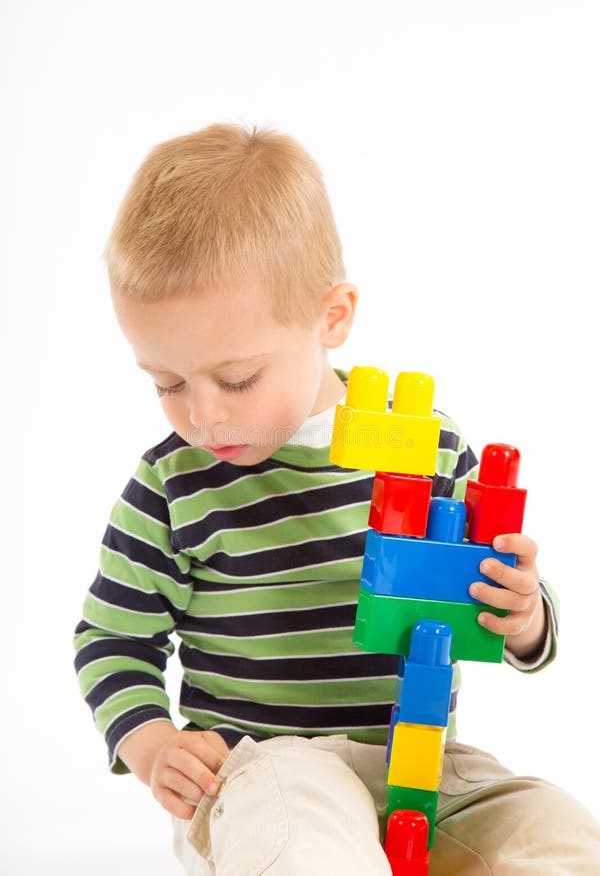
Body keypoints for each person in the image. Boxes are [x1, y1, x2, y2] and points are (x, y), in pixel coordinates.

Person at [74, 123, 600, 875]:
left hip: (420, 767)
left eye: (237, 379)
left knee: (555, 832)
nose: (204, 415)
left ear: (332, 316)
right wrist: (153, 744)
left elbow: (502, 607)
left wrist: (524, 616)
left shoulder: (432, 451)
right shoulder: (171, 485)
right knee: (303, 837)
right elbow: (111, 638)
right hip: (262, 774)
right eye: (168, 383)